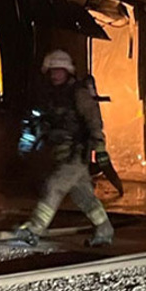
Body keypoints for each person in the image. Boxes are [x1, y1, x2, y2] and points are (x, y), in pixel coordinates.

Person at [15, 49, 115, 247]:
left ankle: (35, 229)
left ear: (67, 71)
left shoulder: (78, 93)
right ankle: (104, 229)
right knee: (83, 195)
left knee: (54, 186)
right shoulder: (51, 95)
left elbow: (93, 120)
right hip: (61, 152)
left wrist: (100, 146)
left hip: (76, 153)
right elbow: (40, 121)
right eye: (52, 71)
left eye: (59, 71)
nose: (55, 75)